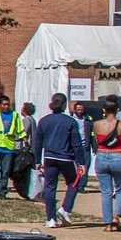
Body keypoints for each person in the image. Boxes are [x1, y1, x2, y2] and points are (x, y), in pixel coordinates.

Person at [36, 92, 84, 228]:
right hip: (66, 157)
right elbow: (76, 144)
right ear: (64, 105)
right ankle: (65, 209)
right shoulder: (70, 121)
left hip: (49, 157)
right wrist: (82, 162)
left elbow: (38, 142)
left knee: (50, 186)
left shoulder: (44, 121)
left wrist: (37, 160)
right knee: (73, 183)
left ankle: (50, 218)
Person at [91, 95, 121, 231]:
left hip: (102, 156)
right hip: (118, 156)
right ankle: (116, 216)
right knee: (120, 189)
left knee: (106, 192)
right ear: (118, 109)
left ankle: (107, 223)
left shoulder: (97, 124)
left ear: (104, 109)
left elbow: (97, 140)